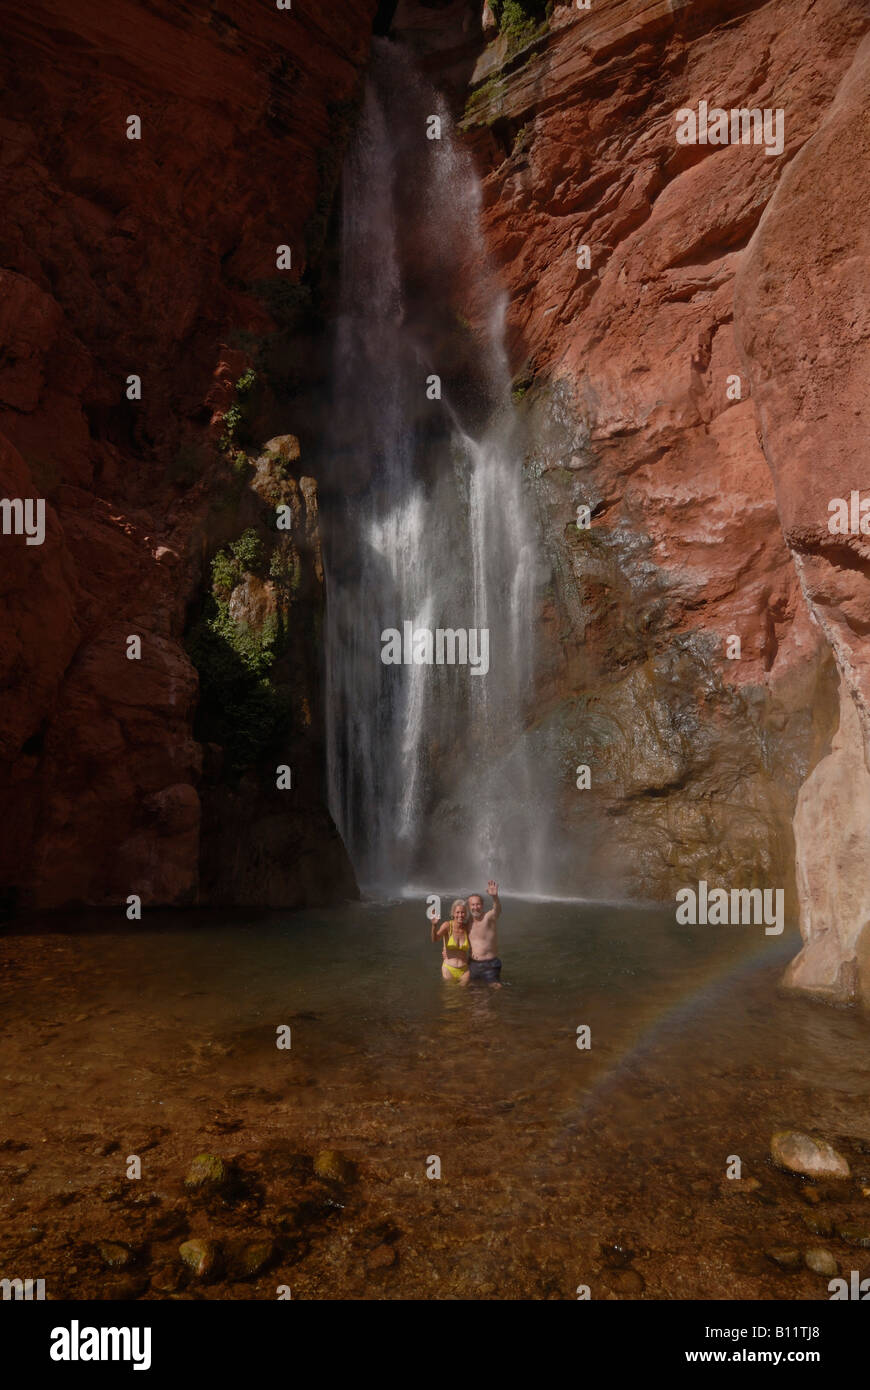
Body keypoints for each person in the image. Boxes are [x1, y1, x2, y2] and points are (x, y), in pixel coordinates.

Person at [466, 880, 503, 987]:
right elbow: (454, 934)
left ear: (482, 905)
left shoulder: (488, 917)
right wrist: (447, 952)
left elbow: (497, 910)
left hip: (490, 964)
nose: (475, 907)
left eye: (478, 904)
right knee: (474, 994)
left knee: (496, 990)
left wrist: (495, 897)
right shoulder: (467, 922)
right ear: (469, 906)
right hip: (473, 964)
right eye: (472, 905)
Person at [430, 898, 471, 984]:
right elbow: (434, 939)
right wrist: (434, 926)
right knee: (450, 995)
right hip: (449, 969)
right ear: (453, 913)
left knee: (464, 995)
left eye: (463, 912)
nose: (460, 915)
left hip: (465, 970)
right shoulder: (447, 926)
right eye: (457, 912)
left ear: (466, 913)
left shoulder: (467, 928)